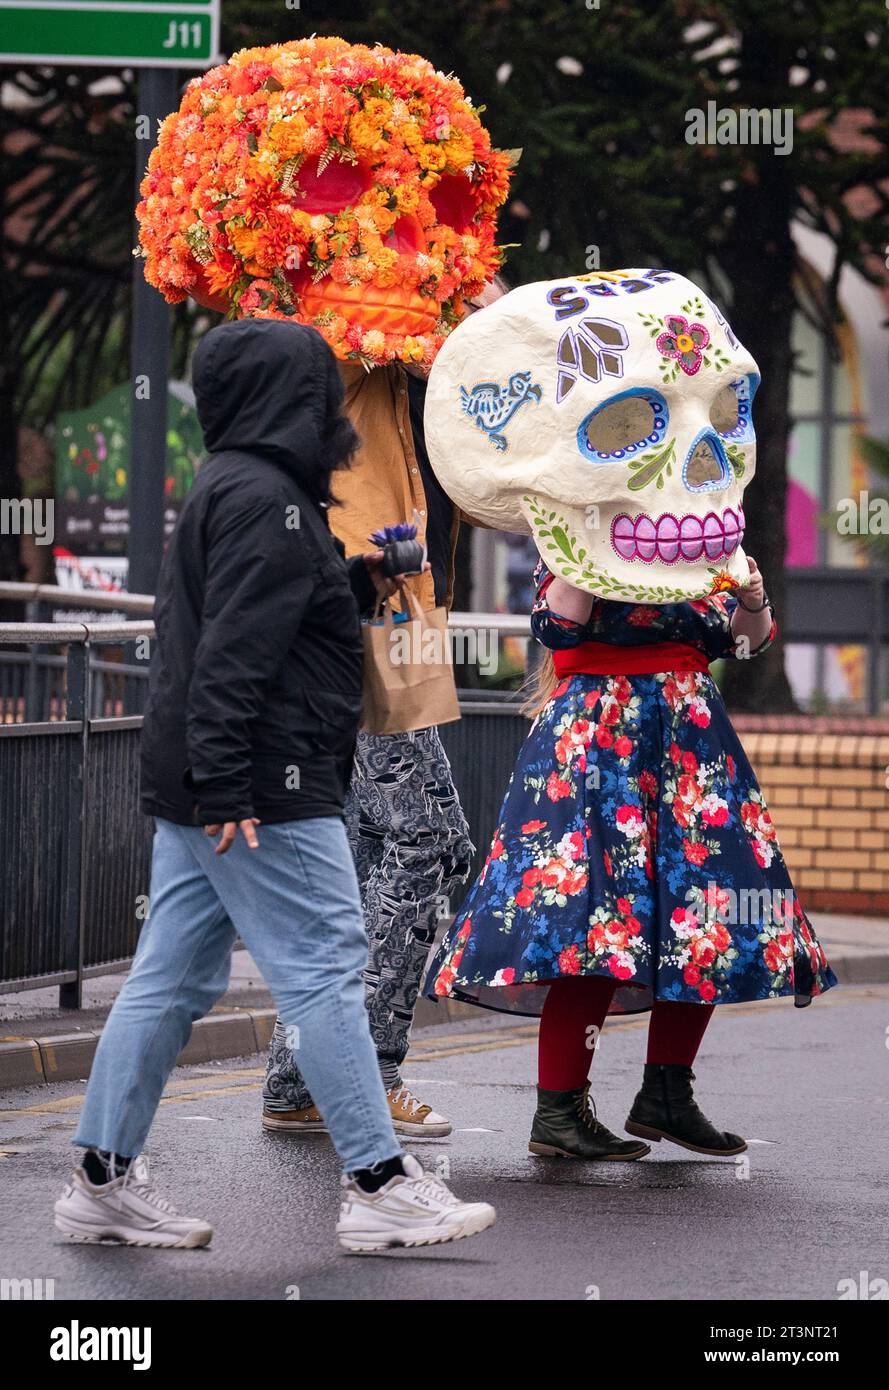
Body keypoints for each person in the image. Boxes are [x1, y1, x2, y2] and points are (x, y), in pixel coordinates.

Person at [53, 318, 496, 1252]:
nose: (333, 407)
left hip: (213, 786)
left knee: (168, 982)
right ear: (288, 400)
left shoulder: (241, 486)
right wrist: (228, 788)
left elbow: (263, 612)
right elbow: (230, 661)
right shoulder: (271, 502)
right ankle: (377, 1183)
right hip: (261, 788)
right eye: (317, 389)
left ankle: (101, 1180)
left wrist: (360, 575)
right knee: (329, 968)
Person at [425, 557, 837, 1161]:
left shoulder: (697, 528)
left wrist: (751, 595)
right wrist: (587, 559)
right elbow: (555, 627)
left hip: (689, 739)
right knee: (593, 922)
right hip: (597, 738)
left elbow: (746, 643)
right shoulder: (583, 521)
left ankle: (667, 1094)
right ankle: (559, 1112)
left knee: (706, 920)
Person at [262, 280, 507, 1139]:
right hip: (360, 604)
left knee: (375, 848)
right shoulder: (342, 320)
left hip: (400, 607)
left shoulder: (411, 353)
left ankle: (303, 1077)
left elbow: (500, 371)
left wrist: (474, 293)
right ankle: (360, 1072)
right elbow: (467, 335)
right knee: (428, 842)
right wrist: (458, 289)